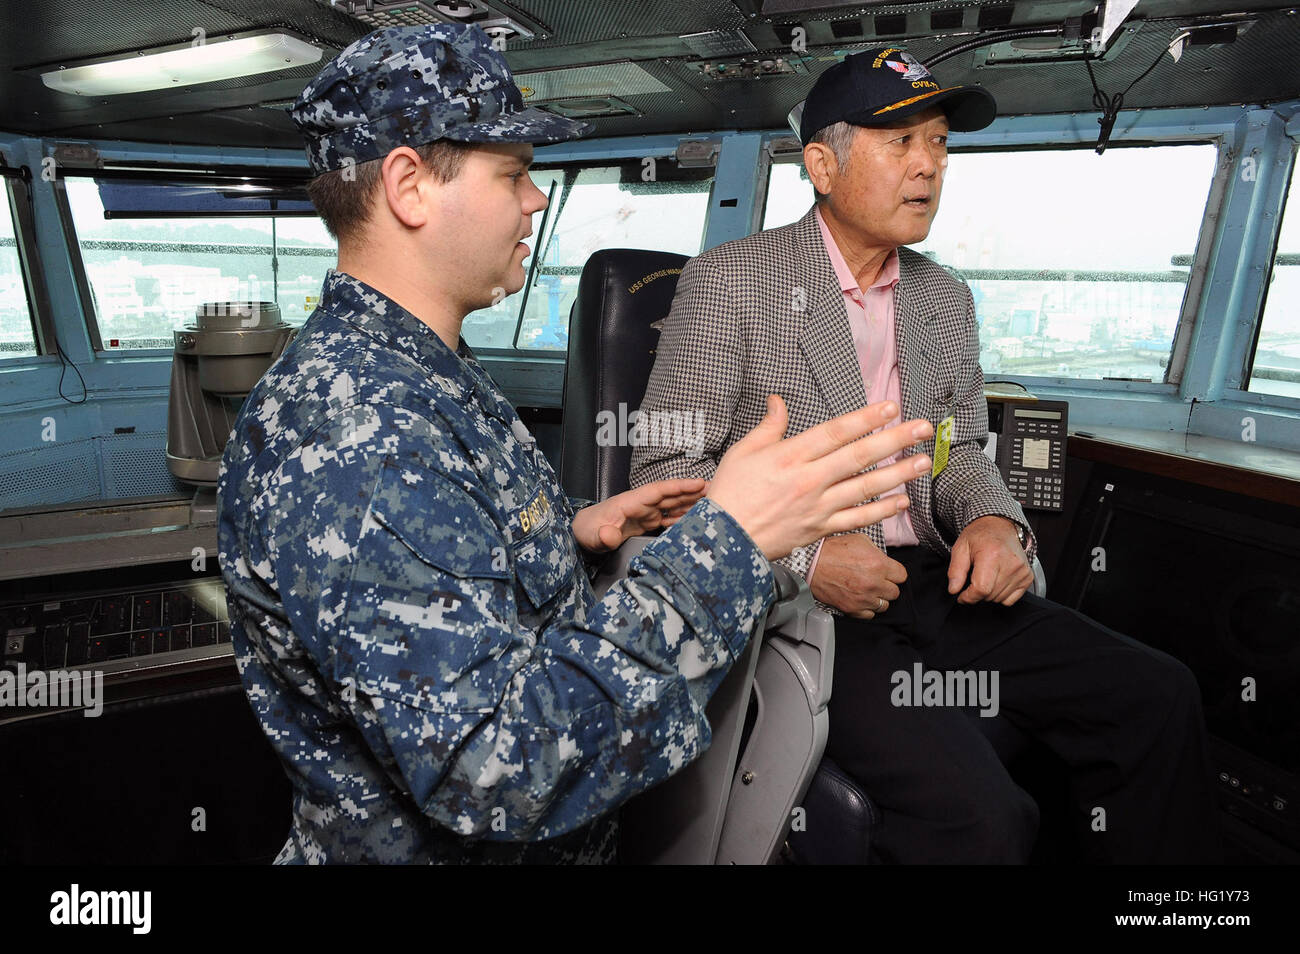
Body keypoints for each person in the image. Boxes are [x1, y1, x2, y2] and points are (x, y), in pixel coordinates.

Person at [216, 24, 933, 864]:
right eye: (514, 173)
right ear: (410, 186)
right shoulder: (358, 429)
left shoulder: (421, 370)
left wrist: (578, 529)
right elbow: (499, 767)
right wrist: (729, 543)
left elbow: (460, 568)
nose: (534, 201)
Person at [630, 46, 1222, 864]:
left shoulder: (942, 297)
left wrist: (991, 521)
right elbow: (661, 480)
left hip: (938, 590)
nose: (928, 167)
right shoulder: (732, 283)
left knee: (1160, 694)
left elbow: (959, 450)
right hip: (810, 613)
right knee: (985, 819)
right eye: (900, 142)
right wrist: (806, 558)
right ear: (822, 164)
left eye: (939, 144)